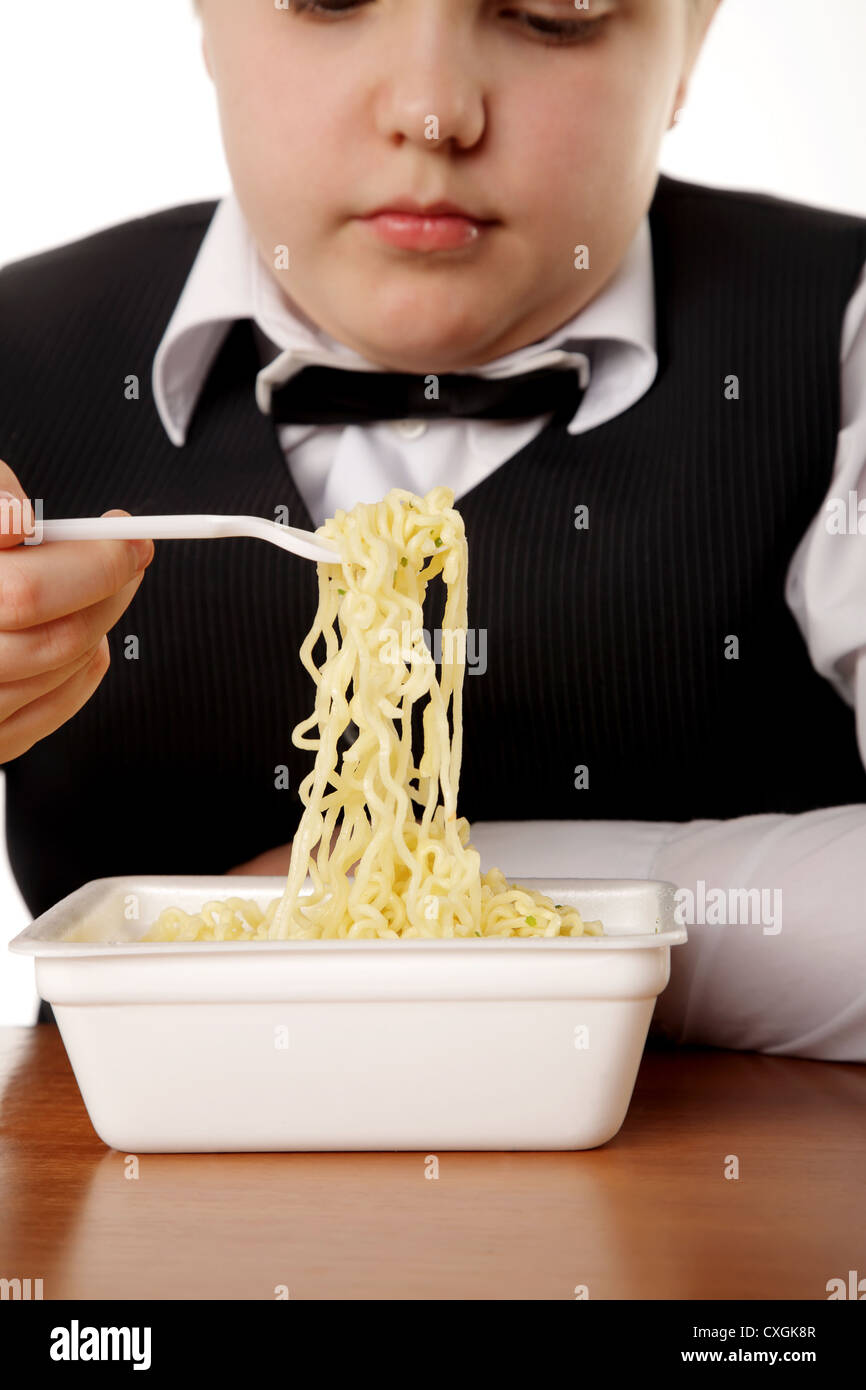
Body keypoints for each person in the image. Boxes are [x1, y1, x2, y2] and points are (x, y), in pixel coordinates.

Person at [0, 0, 864, 1055]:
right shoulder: (18, 356)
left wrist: (449, 897)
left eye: (554, 12)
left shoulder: (837, 329)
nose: (430, 113)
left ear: (691, 38)